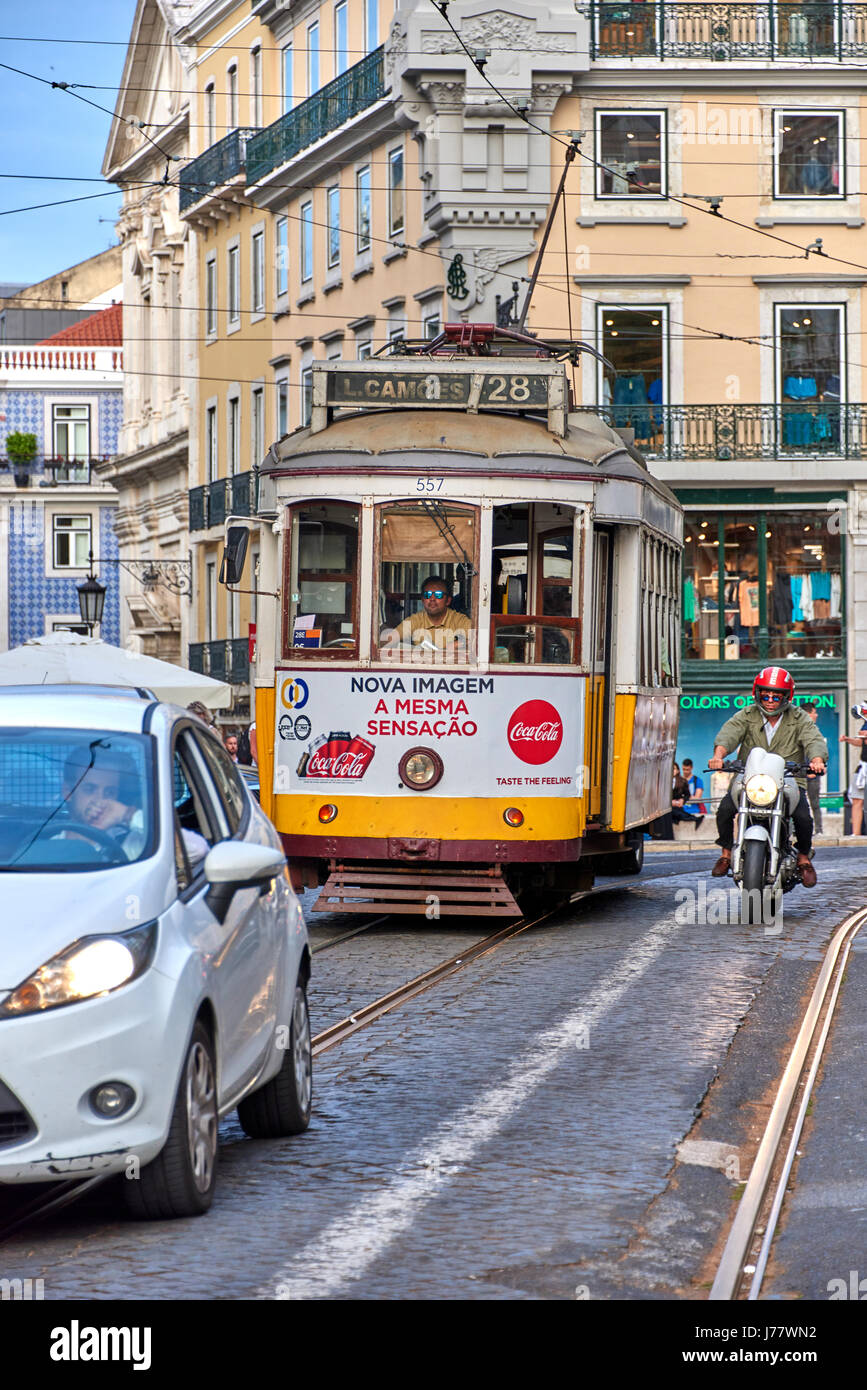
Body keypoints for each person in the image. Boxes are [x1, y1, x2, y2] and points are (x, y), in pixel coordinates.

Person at [708, 667, 827, 886]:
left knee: (803, 817)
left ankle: (803, 858)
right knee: (725, 810)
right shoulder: (747, 714)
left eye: (776, 696)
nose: (770, 700)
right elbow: (729, 733)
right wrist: (719, 755)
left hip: (788, 779)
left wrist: (817, 759)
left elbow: (813, 739)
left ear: (786, 696)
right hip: (749, 779)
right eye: (765, 695)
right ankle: (726, 853)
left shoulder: (799, 716)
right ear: (757, 693)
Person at [390, 575, 472, 653]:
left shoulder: (459, 620)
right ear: (422, 600)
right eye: (427, 595)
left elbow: (480, 639)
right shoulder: (416, 620)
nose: (432, 599)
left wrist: (457, 644)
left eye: (438, 595)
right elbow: (389, 639)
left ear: (448, 601)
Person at [840, 701, 867, 836]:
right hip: (864, 765)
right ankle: (855, 833)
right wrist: (848, 740)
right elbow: (862, 742)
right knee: (857, 799)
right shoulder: (865, 724)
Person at [802, 702, 823, 834]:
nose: (816, 715)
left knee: (815, 803)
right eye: (814, 712)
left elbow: (819, 749)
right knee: (796, 804)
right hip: (800, 774)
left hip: (813, 774)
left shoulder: (816, 731)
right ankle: (794, 831)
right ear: (808, 714)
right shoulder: (798, 729)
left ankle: (819, 830)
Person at [680, 757, 706, 828]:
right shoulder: (679, 780)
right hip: (681, 812)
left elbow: (697, 798)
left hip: (694, 811)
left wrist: (684, 797)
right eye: (684, 769)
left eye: (687, 770)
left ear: (691, 768)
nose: (685, 772)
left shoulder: (697, 780)